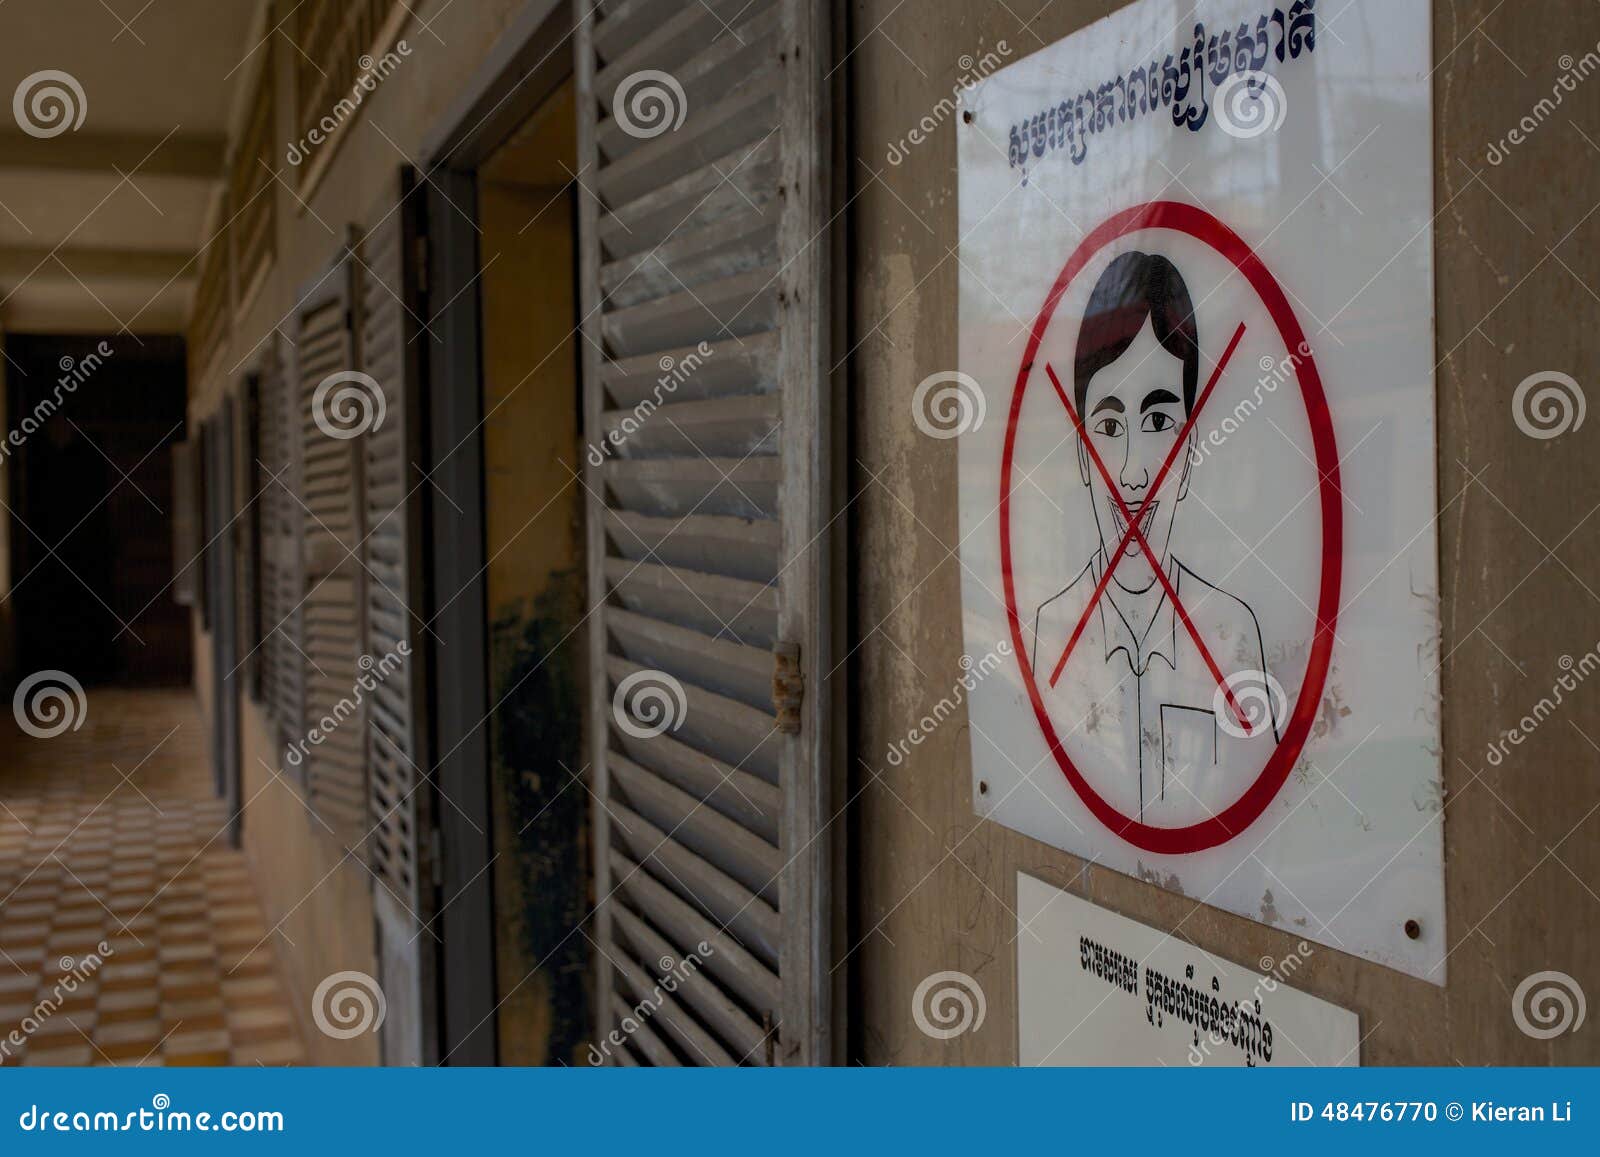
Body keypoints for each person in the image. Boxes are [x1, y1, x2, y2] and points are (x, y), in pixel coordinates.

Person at [1031, 250, 1276, 826]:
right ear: (1083, 456)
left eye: (1160, 422)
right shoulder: (1052, 627)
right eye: (1109, 426)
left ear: (1190, 452)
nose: (1134, 473)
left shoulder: (1233, 630)